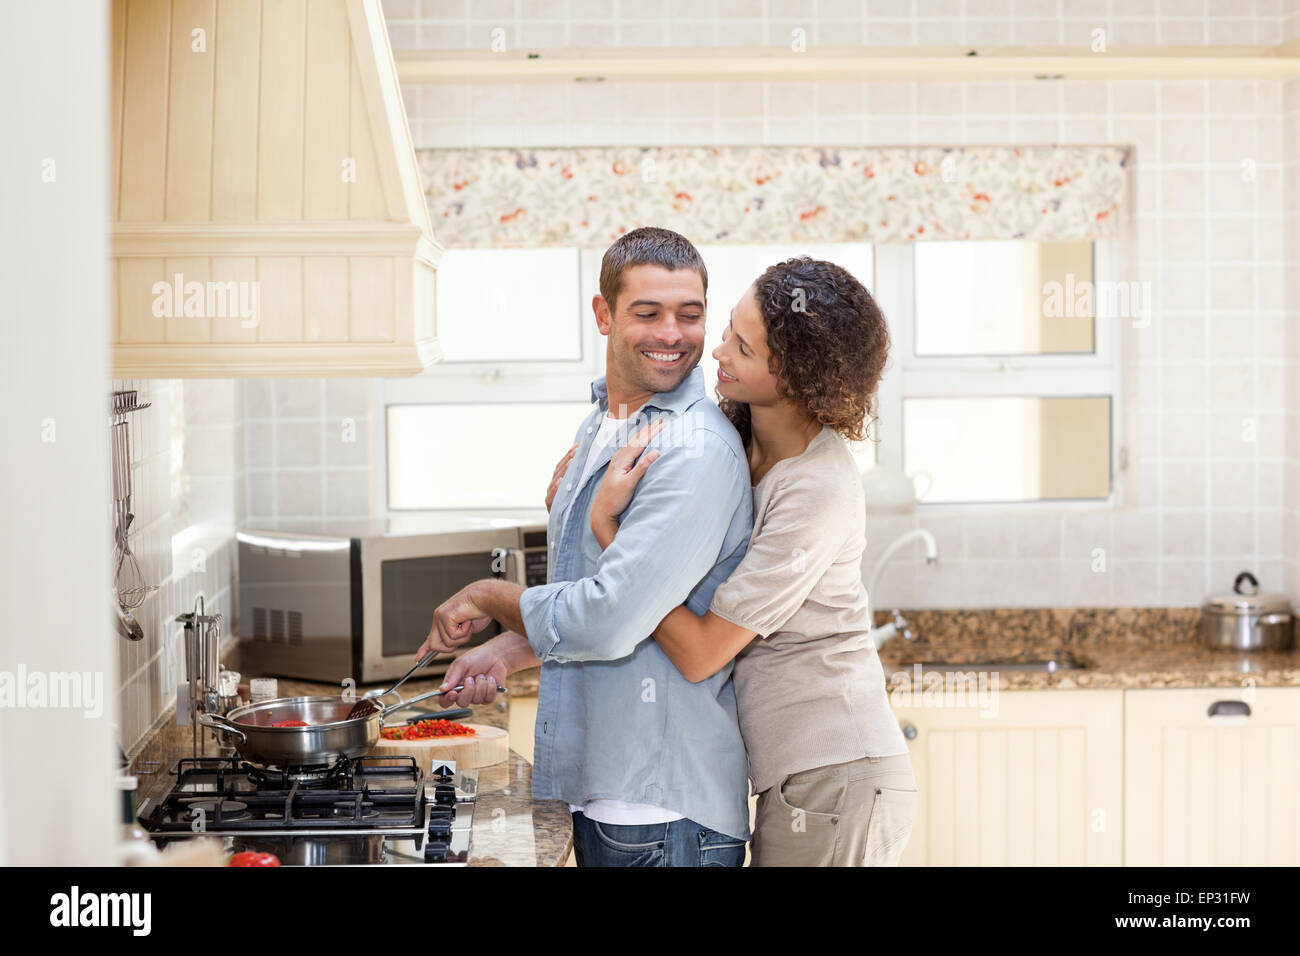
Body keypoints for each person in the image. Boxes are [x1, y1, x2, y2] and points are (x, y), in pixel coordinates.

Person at [415, 226, 755, 867]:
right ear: (603, 315)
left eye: (690, 314)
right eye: (646, 312)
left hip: (662, 813)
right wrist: (508, 651)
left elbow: (607, 619)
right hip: (607, 796)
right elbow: (618, 594)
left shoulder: (694, 452)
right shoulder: (604, 425)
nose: (672, 334)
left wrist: (489, 595)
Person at [582, 256, 917, 866]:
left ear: (795, 377)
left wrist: (610, 533)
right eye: (728, 329)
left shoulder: (818, 488)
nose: (717, 353)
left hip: (837, 773)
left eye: (742, 347)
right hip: (798, 777)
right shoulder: (735, 437)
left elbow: (703, 649)